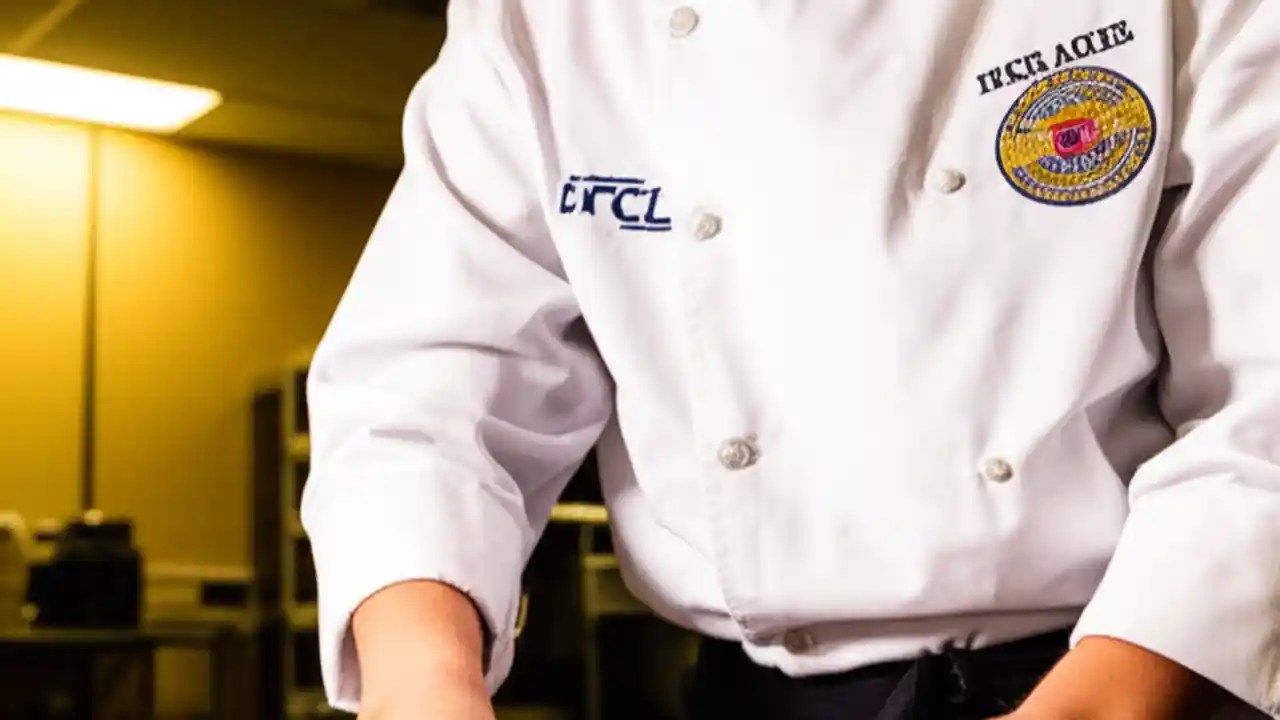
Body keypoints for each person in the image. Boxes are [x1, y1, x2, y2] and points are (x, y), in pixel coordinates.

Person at [302, 2, 1280, 718]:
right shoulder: (548, 20)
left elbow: (1262, 399)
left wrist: (1106, 701)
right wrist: (422, 683)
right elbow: (425, 394)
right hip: (750, 697)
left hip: (1141, 668)